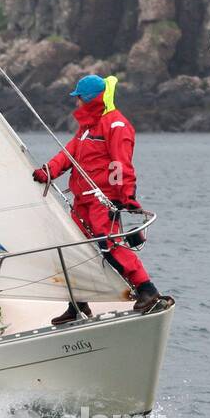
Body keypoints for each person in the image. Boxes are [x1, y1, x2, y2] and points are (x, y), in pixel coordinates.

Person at [32, 74, 171, 325]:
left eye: (78, 99)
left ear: (89, 99)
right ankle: (77, 304)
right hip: (82, 200)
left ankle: (147, 290)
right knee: (72, 246)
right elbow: (68, 155)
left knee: (110, 245)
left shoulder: (116, 125)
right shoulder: (87, 129)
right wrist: (48, 172)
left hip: (102, 200)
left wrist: (124, 197)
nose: (76, 104)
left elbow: (121, 163)